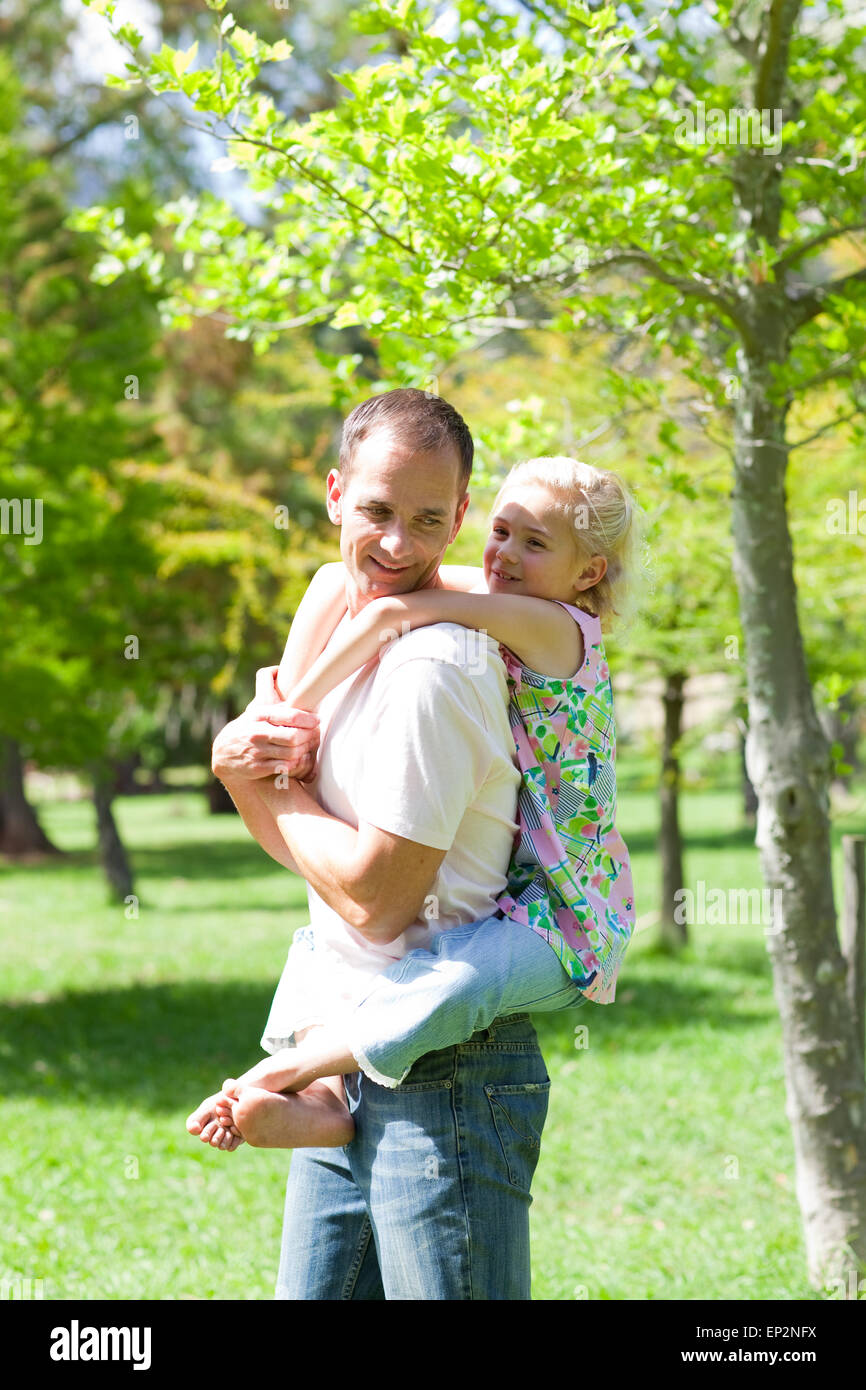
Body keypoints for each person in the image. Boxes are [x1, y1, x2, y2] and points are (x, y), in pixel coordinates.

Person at [186, 390, 623, 1299]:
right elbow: (321, 861)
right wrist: (265, 738)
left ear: (454, 517)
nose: (396, 544)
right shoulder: (344, 596)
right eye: (378, 512)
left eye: (428, 521)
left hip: (450, 1078)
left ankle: (300, 1066)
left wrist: (253, 777)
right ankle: (314, 1087)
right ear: (336, 492)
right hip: (358, 1047)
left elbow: (375, 896)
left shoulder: (446, 657)